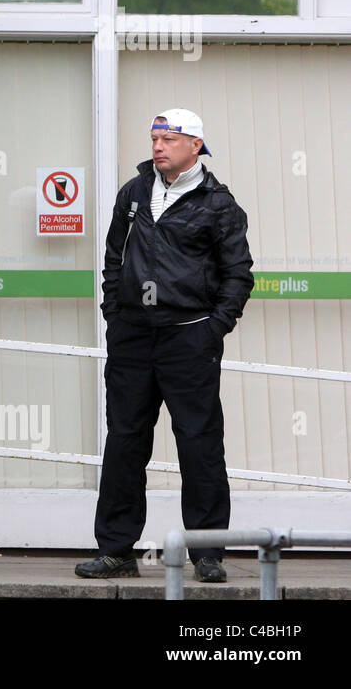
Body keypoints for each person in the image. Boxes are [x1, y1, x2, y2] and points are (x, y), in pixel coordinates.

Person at [76, 109, 254, 582]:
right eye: (155, 138)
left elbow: (239, 274)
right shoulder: (134, 193)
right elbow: (113, 257)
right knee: (125, 442)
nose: (158, 146)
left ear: (196, 145)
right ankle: (116, 550)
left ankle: (207, 554)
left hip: (189, 336)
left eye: (170, 139)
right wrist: (114, 312)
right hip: (133, 336)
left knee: (198, 444)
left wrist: (212, 328)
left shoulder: (218, 204)